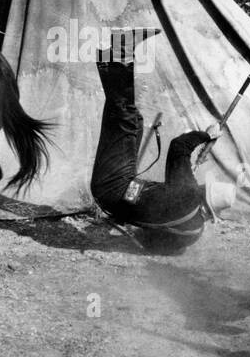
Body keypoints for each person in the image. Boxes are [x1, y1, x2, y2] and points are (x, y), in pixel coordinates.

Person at [91, 53, 234, 252]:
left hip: (112, 184)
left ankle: (119, 54)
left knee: (127, 123)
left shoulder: (189, 193)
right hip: (118, 197)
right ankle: (111, 59)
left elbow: (179, 146)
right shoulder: (194, 232)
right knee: (136, 122)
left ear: (203, 191)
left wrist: (206, 136)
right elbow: (152, 242)